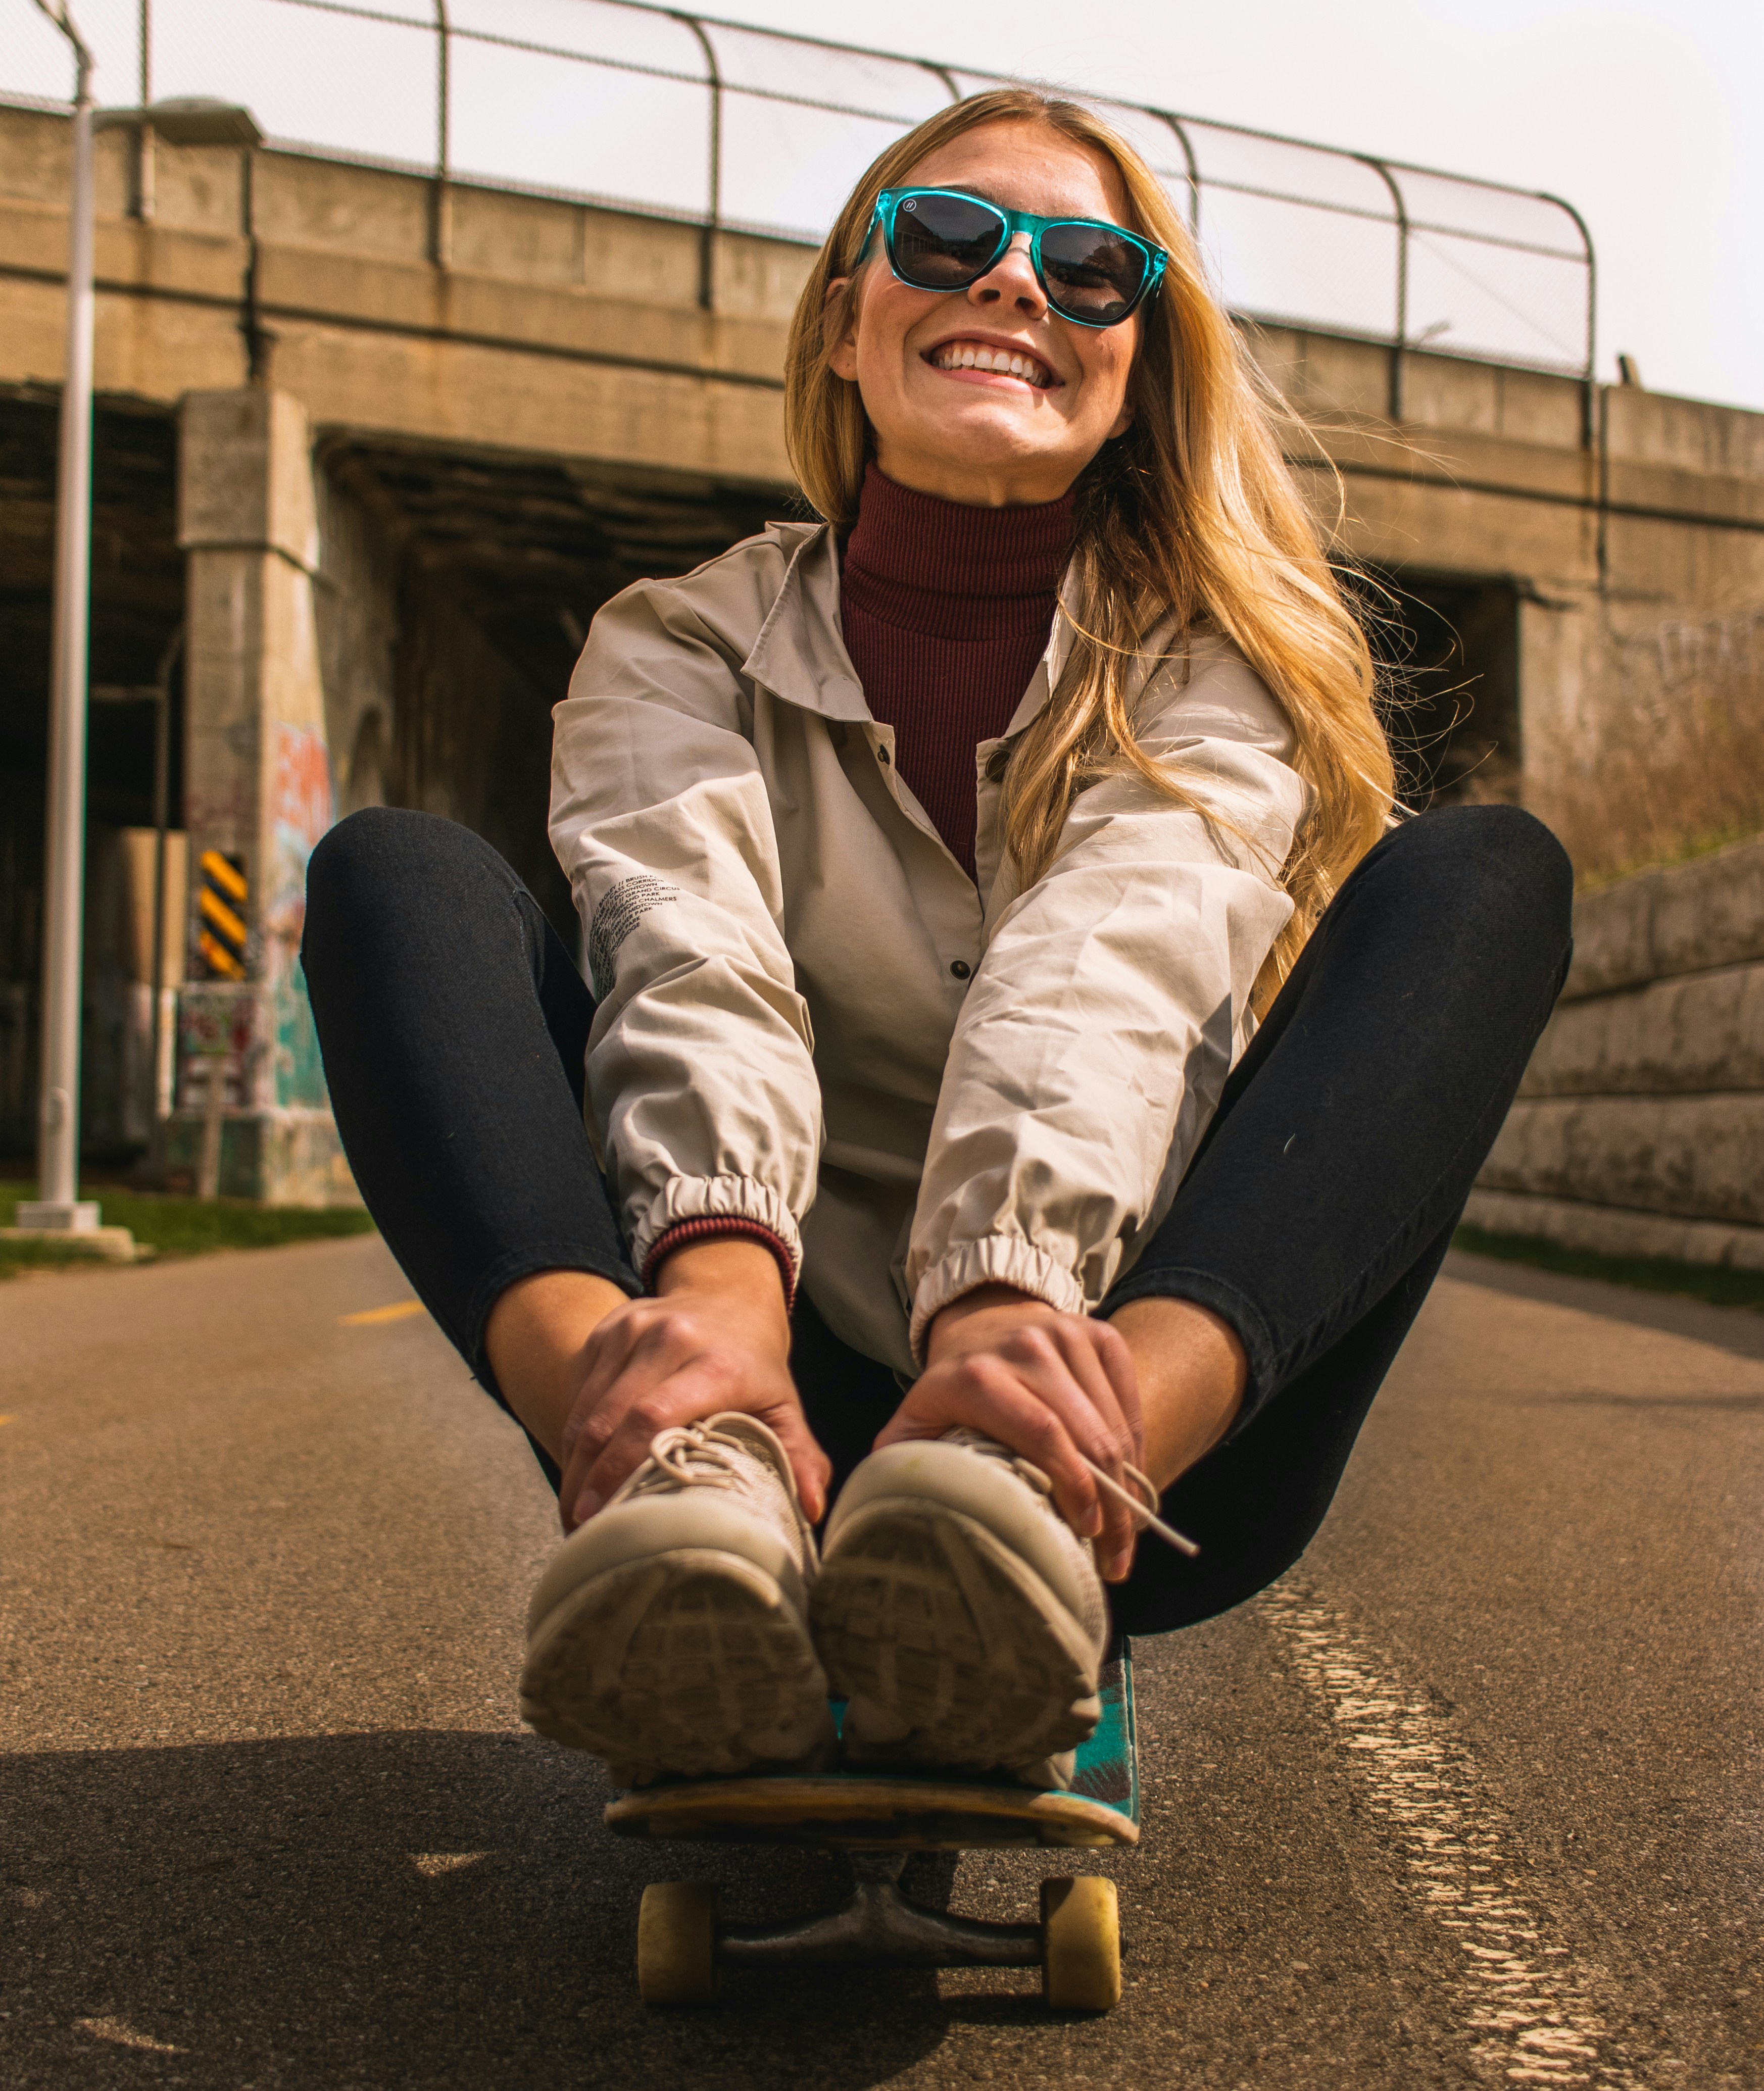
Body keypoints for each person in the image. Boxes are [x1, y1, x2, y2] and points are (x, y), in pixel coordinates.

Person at [302, 87, 1572, 1791]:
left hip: (1112, 1394)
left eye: (1090, 268)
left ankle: (1022, 1510)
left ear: (1135, 366)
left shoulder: (1215, 674)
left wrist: (1002, 1336)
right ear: (845, 318)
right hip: (744, 1358)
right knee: (395, 876)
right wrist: (720, 1325)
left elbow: (1106, 967)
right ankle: (679, 1485)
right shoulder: (671, 645)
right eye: (950, 236)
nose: (1016, 286)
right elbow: (693, 954)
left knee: (1481, 880)